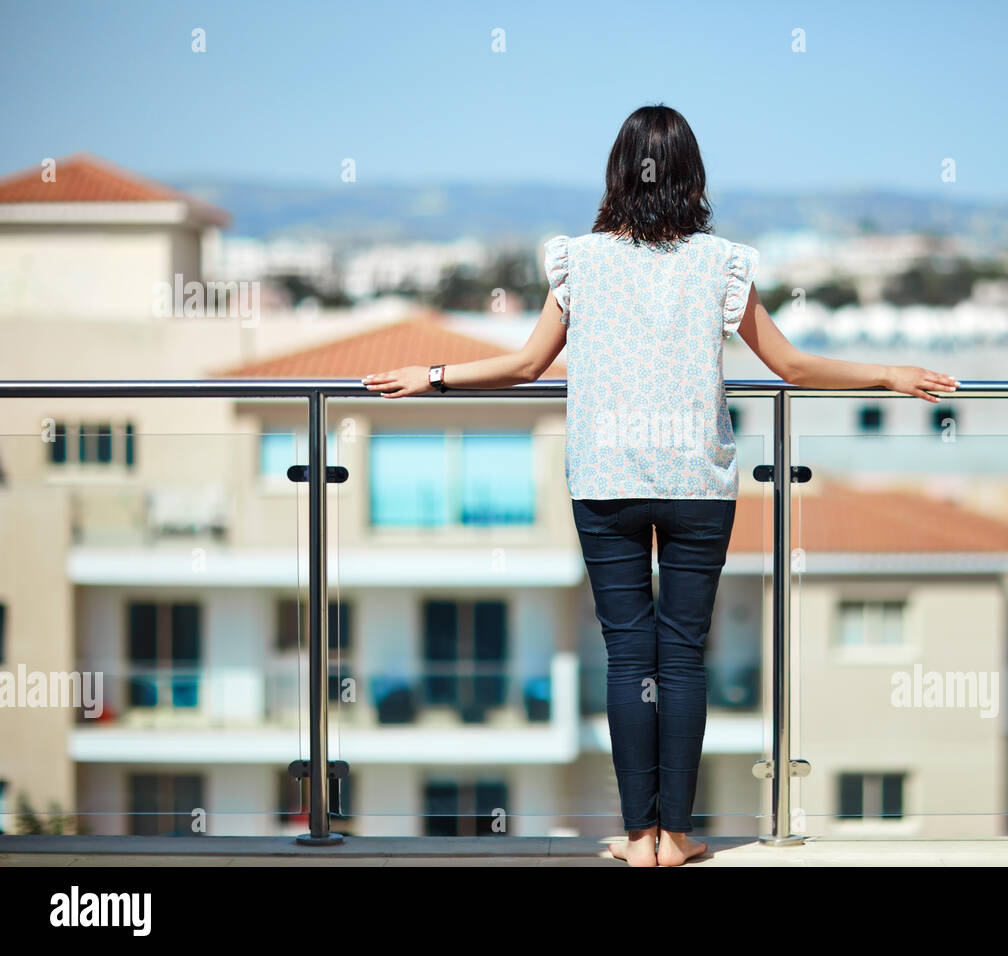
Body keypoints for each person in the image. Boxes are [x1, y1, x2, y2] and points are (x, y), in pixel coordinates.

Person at [362, 104, 959, 866]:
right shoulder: (722, 264)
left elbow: (523, 367)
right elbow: (794, 368)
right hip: (696, 485)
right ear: (691, 178)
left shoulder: (579, 260)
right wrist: (891, 373)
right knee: (680, 656)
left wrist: (433, 376)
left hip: (606, 477)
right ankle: (676, 837)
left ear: (618, 171)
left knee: (626, 657)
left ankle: (637, 834)